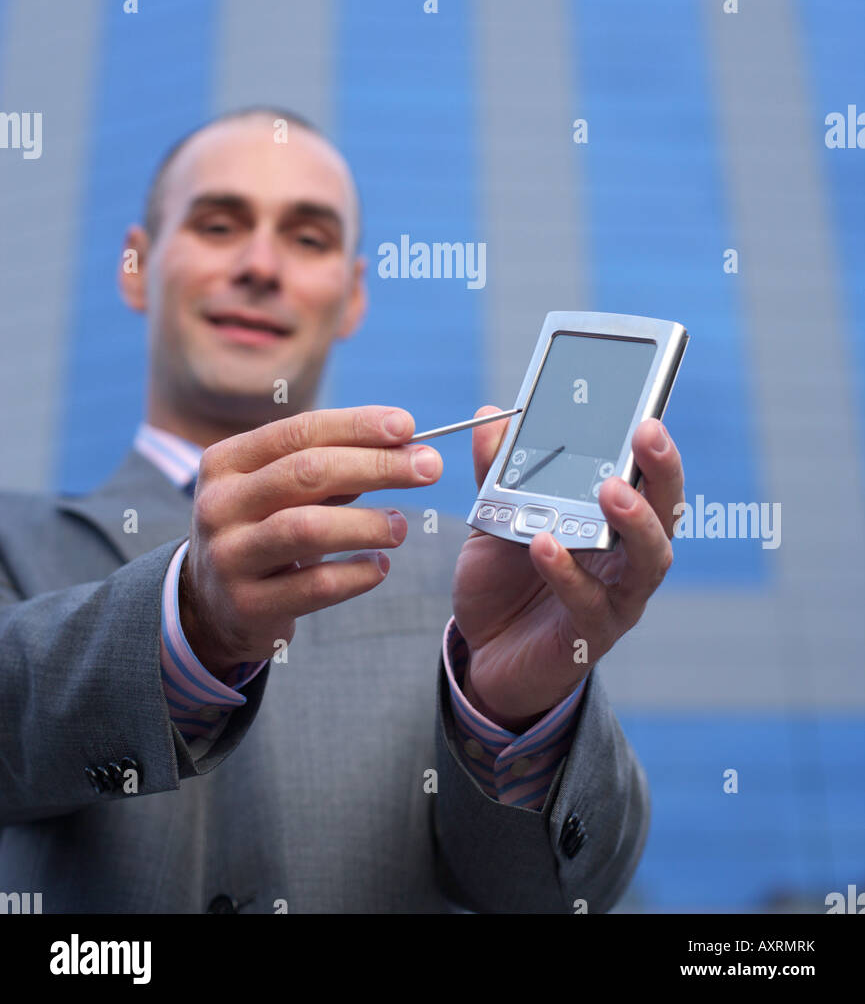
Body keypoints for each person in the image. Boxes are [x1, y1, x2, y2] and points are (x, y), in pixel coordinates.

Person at [0, 106, 683, 914]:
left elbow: (566, 896)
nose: (260, 265)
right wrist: (185, 622)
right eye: (219, 225)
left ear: (352, 296)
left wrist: (512, 717)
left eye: (308, 238)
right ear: (136, 266)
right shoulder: (17, 540)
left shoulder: (483, 594)